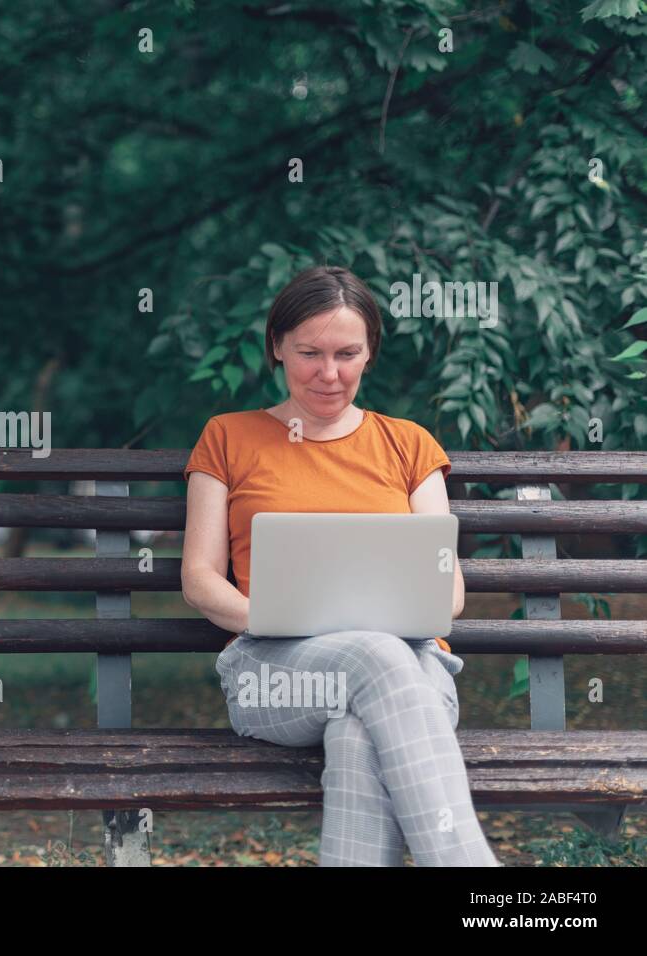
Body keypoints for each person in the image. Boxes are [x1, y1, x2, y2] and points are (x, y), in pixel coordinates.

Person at [181, 264, 502, 867]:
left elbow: (447, 590)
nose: (329, 374)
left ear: (370, 353)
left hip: (414, 673)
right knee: (373, 652)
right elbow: (199, 579)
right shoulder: (228, 437)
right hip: (274, 671)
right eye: (310, 353)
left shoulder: (409, 444)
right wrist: (277, 618)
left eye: (347, 353)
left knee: (356, 737)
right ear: (277, 346)